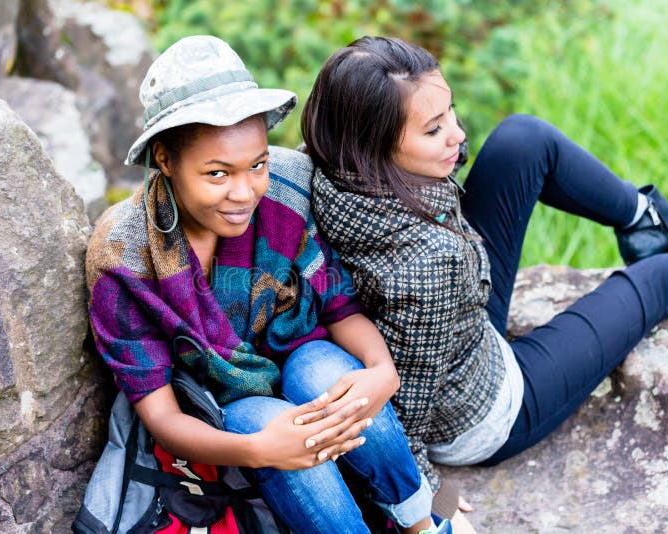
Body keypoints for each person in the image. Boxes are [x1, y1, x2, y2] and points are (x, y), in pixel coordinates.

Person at [301, 35, 668, 515]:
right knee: (661, 281)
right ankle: (657, 245)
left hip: (457, 311)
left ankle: (645, 220)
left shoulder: (327, 160)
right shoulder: (425, 263)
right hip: (485, 410)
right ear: (372, 147)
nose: (457, 134)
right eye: (433, 130)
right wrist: (429, 497)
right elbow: (404, 408)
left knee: (523, 140)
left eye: (449, 112)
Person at [85, 35, 451, 534]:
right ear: (165, 160)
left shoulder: (287, 187)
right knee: (258, 419)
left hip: (305, 359)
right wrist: (258, 449)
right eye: (217, 173)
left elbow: (339, 306)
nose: (244, 191)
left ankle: (419, 524)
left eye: (255, 164)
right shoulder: (124, 255)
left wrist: (382, 371)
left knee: (323, 375)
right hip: (231, 412)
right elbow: (163, 417)